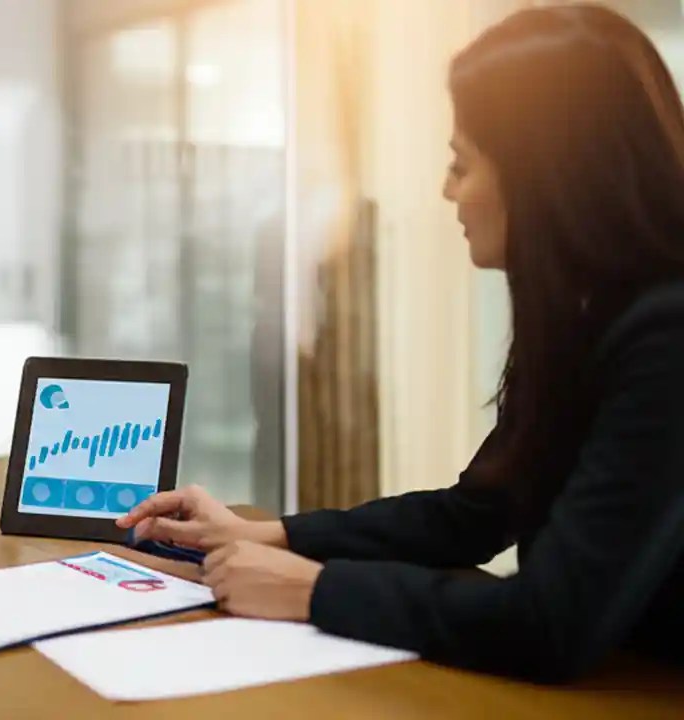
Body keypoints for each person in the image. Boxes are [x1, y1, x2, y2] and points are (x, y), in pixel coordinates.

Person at [119, 4, 684, 683]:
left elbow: (550, 622)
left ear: (545, 178)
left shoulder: (666, 338)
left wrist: (312, 591)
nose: (448, 192)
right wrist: (272, 535)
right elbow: (473, 516)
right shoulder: (586, 317)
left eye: (462, 164)